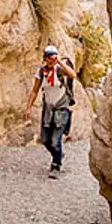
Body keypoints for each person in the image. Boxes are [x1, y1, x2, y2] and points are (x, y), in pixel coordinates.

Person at [25, 44, 77, 177]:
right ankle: (58, 154)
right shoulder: (41, 72)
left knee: (55, 140)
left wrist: (59, 61)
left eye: (52, 57)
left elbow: (72, 75)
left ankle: (56, 165)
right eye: (48, 57)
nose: (50, 60)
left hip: (62, 108)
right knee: (45, 139)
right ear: (44, 57)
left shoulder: (60, 70)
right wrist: (28, 108)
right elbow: (34, 91)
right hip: (48, 109)